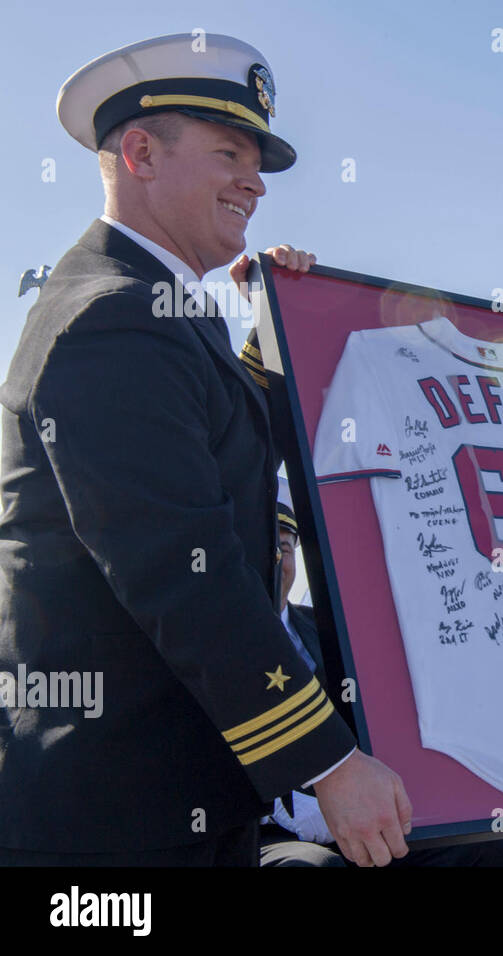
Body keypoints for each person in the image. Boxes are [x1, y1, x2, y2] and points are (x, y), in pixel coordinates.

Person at [0, 33, 408, 866]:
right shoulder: (107, 318)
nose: (254, 183)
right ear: (141, 153)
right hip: (113, 814)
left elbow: (225, 445)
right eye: (229, 152)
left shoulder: (163, 314)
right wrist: (328, 759)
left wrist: (280, 319)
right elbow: (180, 568)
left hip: (170, 792)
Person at [259, 496, 503, 867]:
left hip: (356, 809)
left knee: (477, 846)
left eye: (285, 547)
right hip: (267, 825)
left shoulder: (331, 626)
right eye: (266, 548)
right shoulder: (214, 641)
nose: (279, 560)